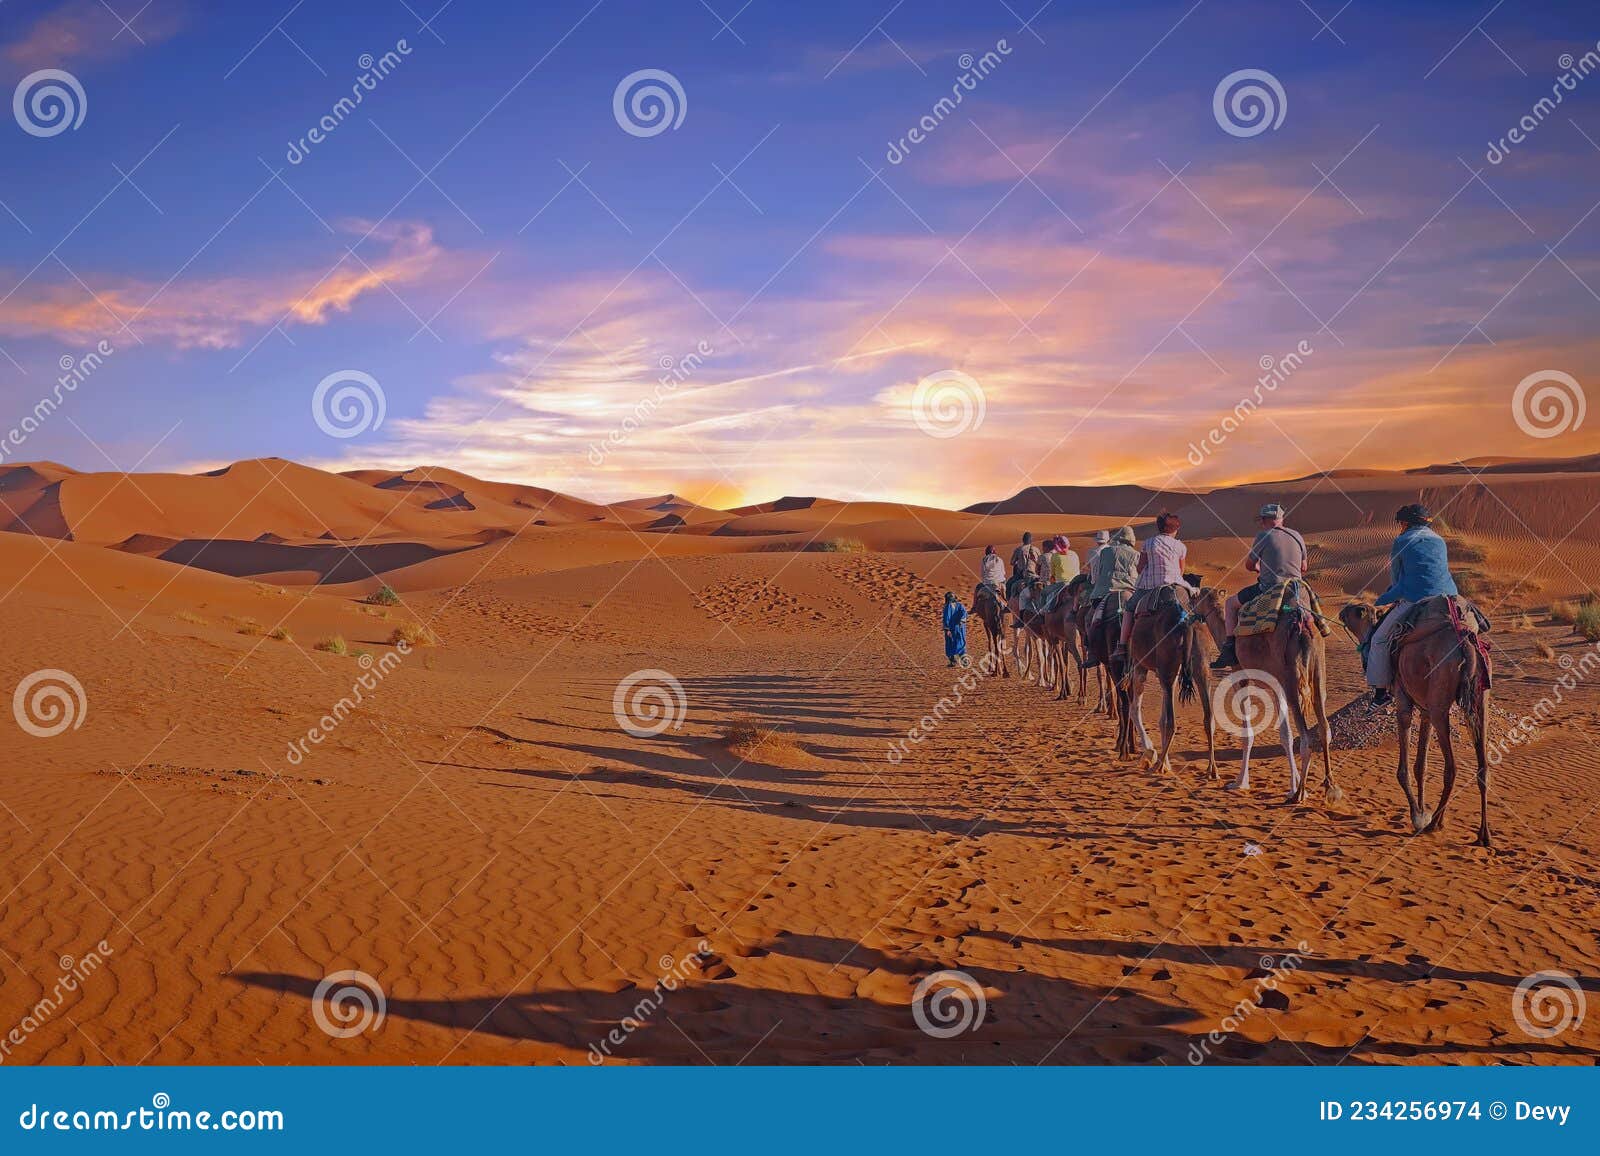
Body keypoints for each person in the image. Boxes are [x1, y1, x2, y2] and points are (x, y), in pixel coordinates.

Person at [1365, 503, 1458, 706]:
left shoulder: (1402, 540)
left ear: (1406, 523)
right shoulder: (1440, 540)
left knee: (1379, 640)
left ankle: (1381, 694)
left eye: (1402, 522)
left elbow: (1397, 579)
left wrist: (1383, 600)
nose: (1401, 526)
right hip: (1449, 596)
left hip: (1416, 597)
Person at [1211, 502, 1309, 670]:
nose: (1261, 524)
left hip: (1270, 588)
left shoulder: (1264, 535)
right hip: (1296, 589)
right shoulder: (1297, 536)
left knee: (1230, 603)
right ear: (1281, 519)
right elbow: (1304, 567)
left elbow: (1249, 565)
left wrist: (1260, 568)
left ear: (1265, 520)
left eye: (1262, 520)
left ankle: (1229, 649)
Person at [1114, 512, 1190, 659]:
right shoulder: (1181, 546)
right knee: (1194, 608)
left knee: (1129, 608)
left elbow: (1140, 567)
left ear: (1159, 527)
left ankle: (1122, 645)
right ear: (1176, 529)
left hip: (1150, 586)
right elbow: (1181, 570)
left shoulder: (1148, 543)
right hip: (1175, 585)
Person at [1084, 525, 1138, 666]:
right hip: (1131, 592)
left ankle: (1092, 653)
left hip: (1105, 591)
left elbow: (1101, 572)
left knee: (1089, 618)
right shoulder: (1136, 554)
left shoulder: (1106, 552)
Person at [1008, 532, 1041, 598]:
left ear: (1023, 540)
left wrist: (1019, 562)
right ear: (1031, 540)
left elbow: (1012, 562)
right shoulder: (1036, 549)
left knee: (1009, 585)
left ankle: (1008, 602)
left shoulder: (1019, 549)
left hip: (1022, 575)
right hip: (1036, 575)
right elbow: (1040, 562)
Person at [942, 592, 968, 667]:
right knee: (960, 643)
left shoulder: (948, 606)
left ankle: (953, 661)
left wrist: (947, 629)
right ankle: (964, 660)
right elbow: (964, 614)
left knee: (950, 644)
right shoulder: (960, 605)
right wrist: (962, 621)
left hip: (952, 628)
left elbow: (947, 618)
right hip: (960, 627)